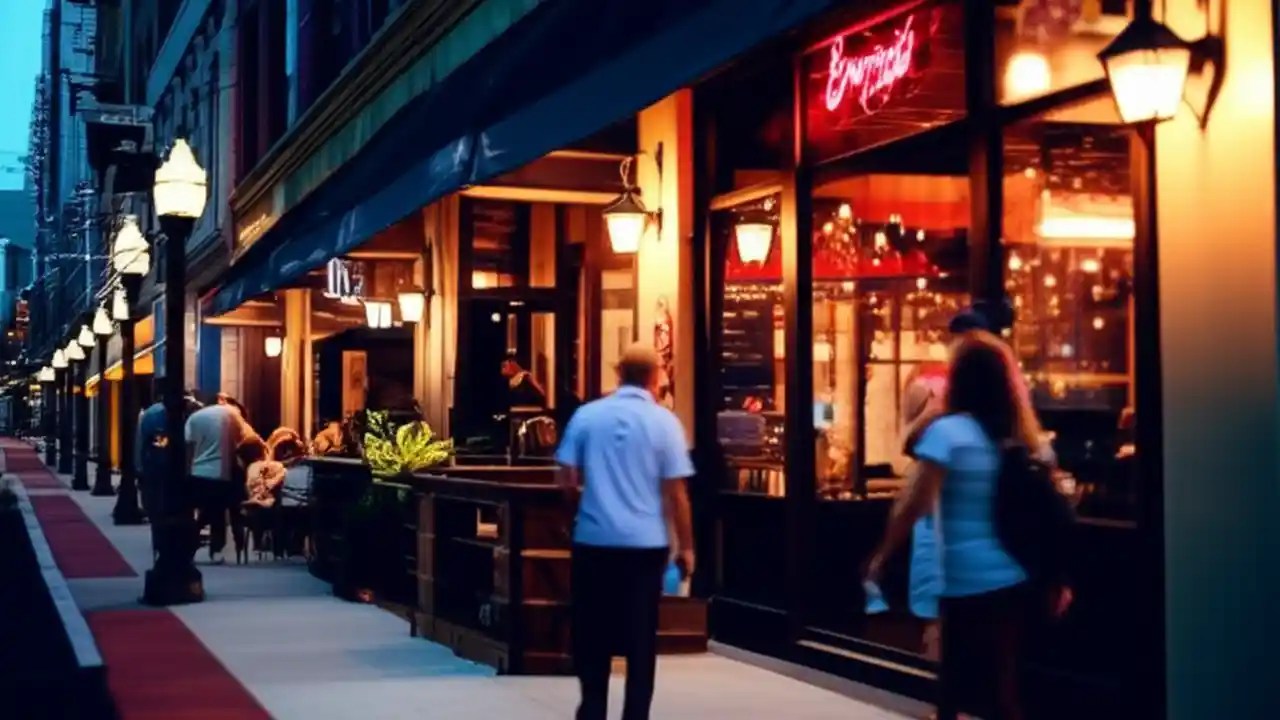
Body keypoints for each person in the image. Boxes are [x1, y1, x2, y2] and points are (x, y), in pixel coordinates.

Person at [868, 331, 1069, 720]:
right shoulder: (1027, 440)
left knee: (957, 687)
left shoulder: (949, 433)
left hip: (965, 581)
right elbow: (1052, 510)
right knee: (1001, 686)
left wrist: (883, 553)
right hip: (1014, 576)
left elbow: (915, 502)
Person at [556, 343, 695, 720]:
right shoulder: (665, 423)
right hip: (645, 544)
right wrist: (687, 547)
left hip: (594, 539)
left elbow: (566, 478)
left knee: (592, 631)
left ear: (618, 374)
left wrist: (578, 508)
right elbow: (677, 493)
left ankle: (593, 707)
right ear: (654, 378)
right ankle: (635, 713)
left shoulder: (587, 416)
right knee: (640, 636)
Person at [184, 393, 250, 565]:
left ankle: (189, 546)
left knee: (203, 512)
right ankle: (220, 548)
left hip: (199, 472)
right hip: (223, 472)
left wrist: (188, 473)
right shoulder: (232, 413)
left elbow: (189, 448)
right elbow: (241, 440)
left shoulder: (194, 418)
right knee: (224, 511)